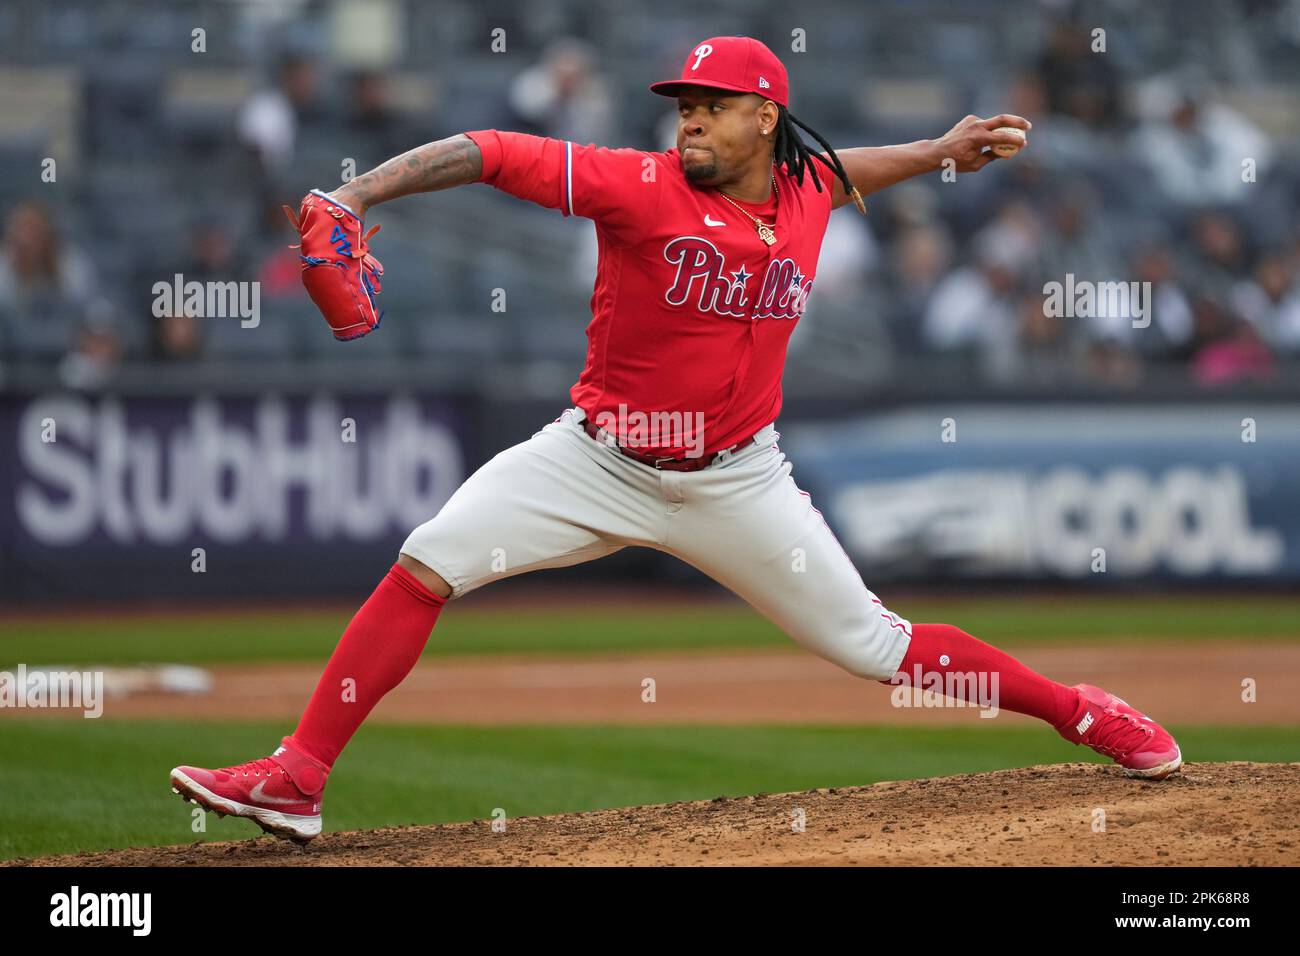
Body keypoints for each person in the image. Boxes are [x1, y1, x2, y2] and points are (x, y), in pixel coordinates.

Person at [170, 37, 1181, 845]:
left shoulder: (805, 186)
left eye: (708, 105)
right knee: (427, 559)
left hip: (740, 480)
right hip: (594, 458)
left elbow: (841, 170)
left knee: (876, 646)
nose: (686, 118)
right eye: (681, 104)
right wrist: (354, 195)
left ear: (764, 118)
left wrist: (937, 151)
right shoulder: (634, 184)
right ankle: (297, 773)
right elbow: (488, 150)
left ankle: (1077, 710)